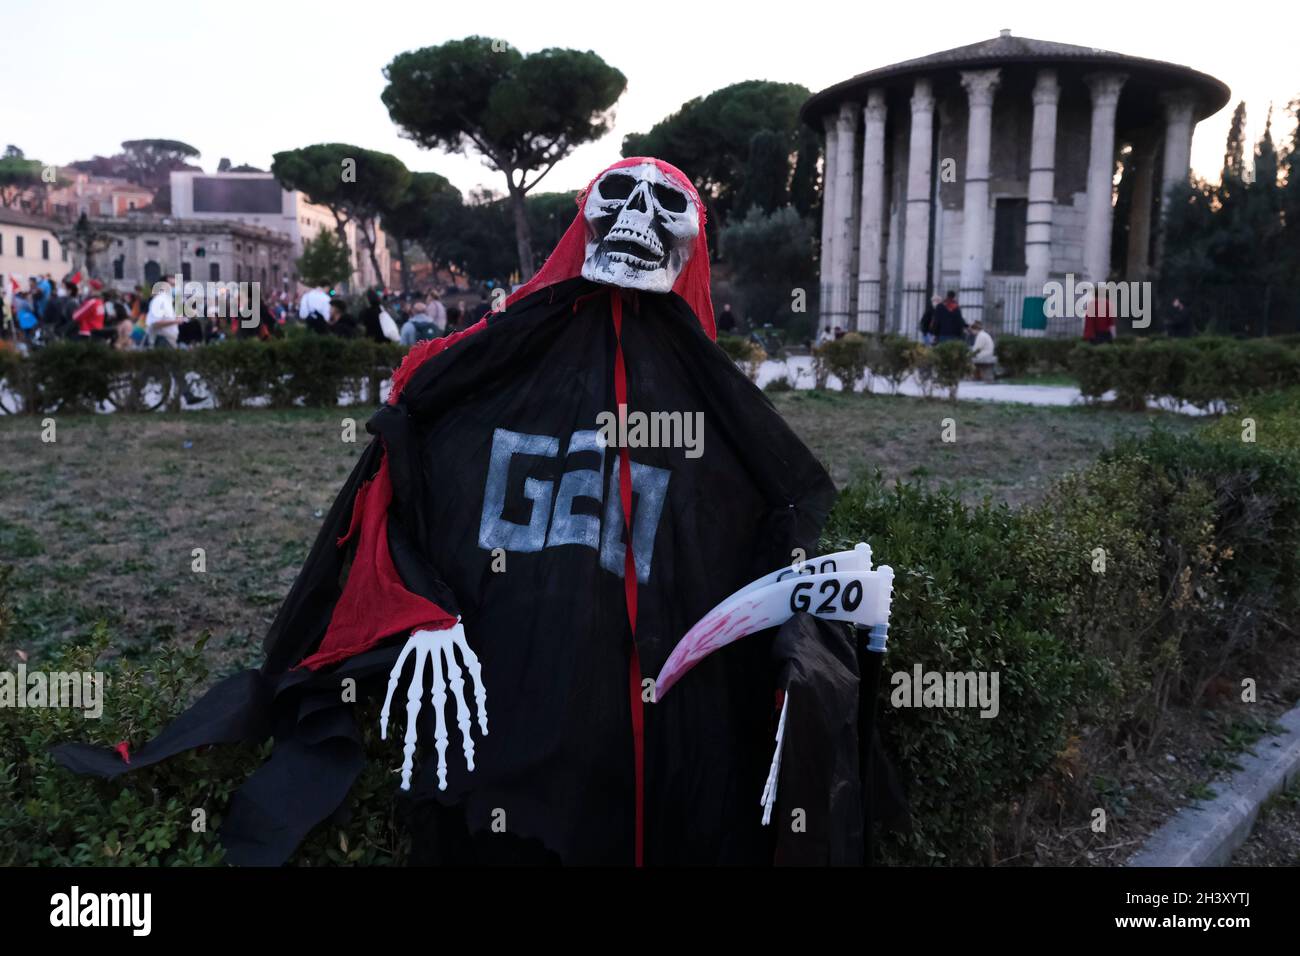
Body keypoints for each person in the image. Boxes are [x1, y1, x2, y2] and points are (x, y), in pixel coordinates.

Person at [56, 155, 901, 867]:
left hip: (659, 734)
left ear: (693, 240)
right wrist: (414, 601)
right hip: (516, 716)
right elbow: (403, 470)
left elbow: (773, 527)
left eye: (666, 205)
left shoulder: (717, 411)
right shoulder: (491, 368)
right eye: (618, 196)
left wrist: (809, 643)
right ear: (587, 222)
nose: (639, 217)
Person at [147, 281, 183, 347]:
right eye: (172, 285)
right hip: (162, 340)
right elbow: (155, 323)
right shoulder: (159, 301)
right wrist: (176, 321)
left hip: (168, 340)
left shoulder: (167, 302)